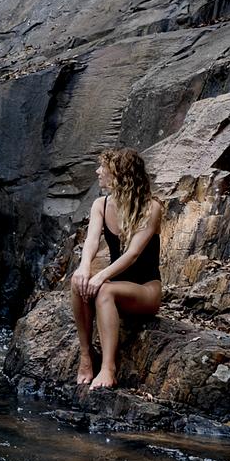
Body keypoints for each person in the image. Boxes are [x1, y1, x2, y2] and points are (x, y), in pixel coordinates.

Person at [70, 147, 163, 389]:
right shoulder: (100, 204)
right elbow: (91, 241)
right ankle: (86, 355)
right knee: (77, 282)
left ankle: (108, 368)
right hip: (115, 284)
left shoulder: (151, 208)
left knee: (104, 290)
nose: (98, 171)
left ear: (120, 175)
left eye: (104, 167)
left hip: (145, 290)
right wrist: (83, 268)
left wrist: (100, 276)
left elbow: (132, 255)